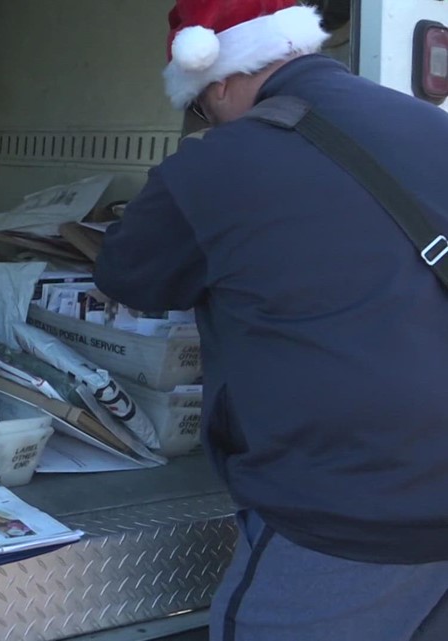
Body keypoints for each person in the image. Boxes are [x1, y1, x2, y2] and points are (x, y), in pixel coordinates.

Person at [91, 1, 448, 639]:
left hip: (349, 516)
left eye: (200, 105)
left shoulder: (218, 164)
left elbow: (129, 276)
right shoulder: (432, 128)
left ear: (220, 80)